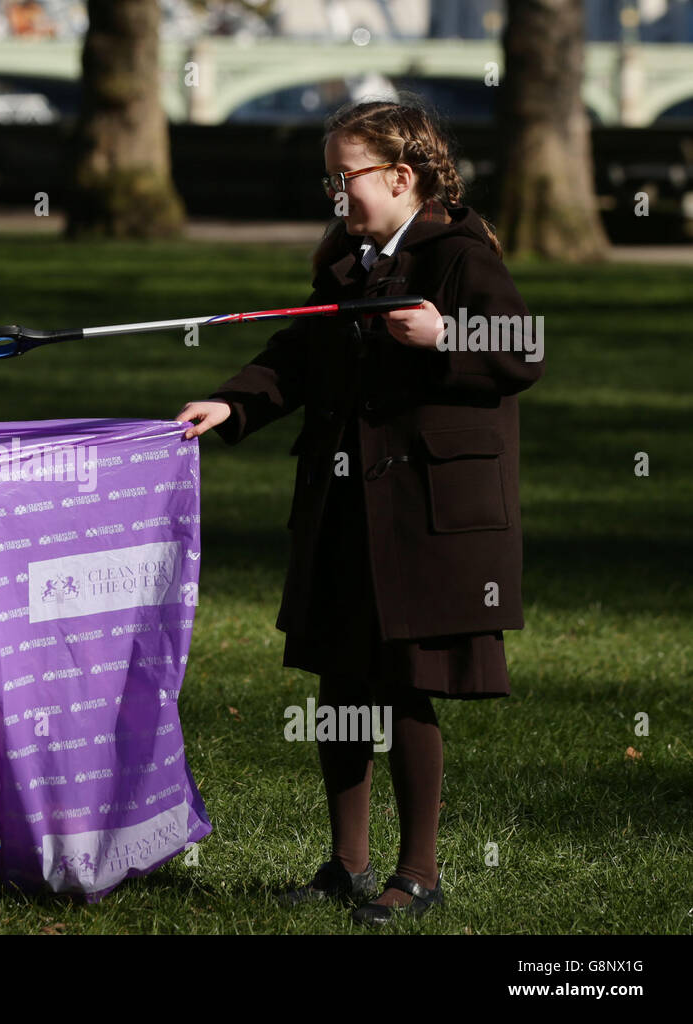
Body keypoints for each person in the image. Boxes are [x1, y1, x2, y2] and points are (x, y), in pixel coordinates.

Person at [175, 100, 543, 925]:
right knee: (343, 681)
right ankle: (346, 863)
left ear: (400, 177)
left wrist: (448, 334)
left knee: (405, 684)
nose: (335, 195)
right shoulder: (349, 261)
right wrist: (233, 406)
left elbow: (526, 347)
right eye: (331, 179)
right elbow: (298, 355)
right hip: (345, 505)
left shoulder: (458, 254)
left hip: (426, 514)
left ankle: (417, 874)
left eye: (346, 178)